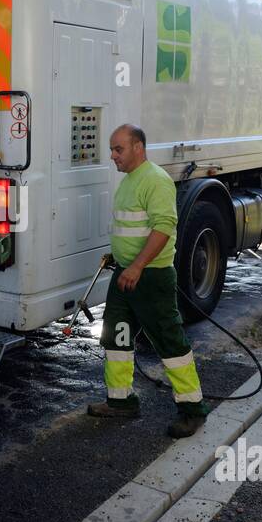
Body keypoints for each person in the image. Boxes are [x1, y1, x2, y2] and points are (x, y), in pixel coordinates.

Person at [87, 124, 210, 438]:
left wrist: (138, 265)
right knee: (117, 336)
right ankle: (120, 401)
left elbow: (164, 227)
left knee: (168, 340)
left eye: (118, 149)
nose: (112, 155)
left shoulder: (155, 180)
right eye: (112, 149)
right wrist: (120, 257)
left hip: (149, 276)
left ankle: (192, 409)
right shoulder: (129, 181)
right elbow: (134, 229)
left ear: (138, 147)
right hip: (126, 274)